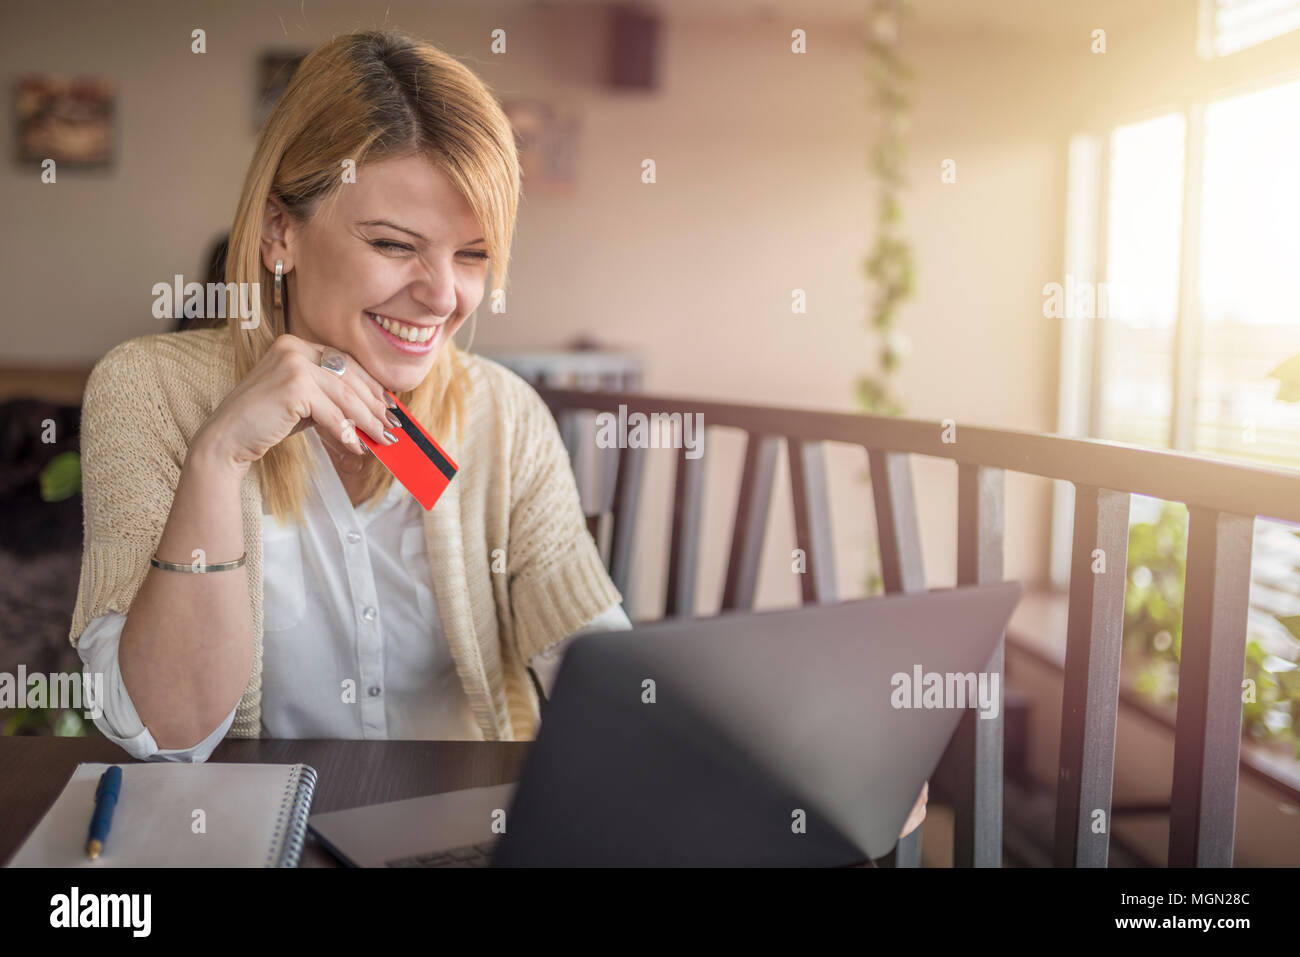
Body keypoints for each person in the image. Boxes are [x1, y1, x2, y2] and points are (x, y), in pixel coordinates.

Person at [67, 27, 925, 844]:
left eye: (473, 255)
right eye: (395, 244)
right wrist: (220, 457)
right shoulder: (148, 390)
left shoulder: (505, 416)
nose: (443, 295)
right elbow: (167, 733)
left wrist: (773, 762)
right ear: (280, 233)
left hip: (466, 839)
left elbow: (594, 660)